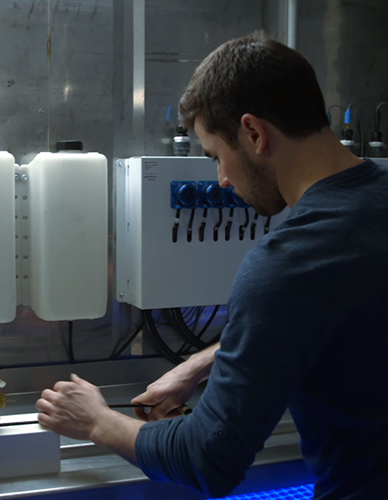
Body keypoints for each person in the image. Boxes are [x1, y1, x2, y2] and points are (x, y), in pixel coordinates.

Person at [36, 31, 388, 499]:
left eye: (216, 156)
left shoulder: (290, 262)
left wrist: (97, 421)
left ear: (254, 133)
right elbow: (335, 320)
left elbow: (208, 459)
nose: (220, 179)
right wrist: (201, 363)